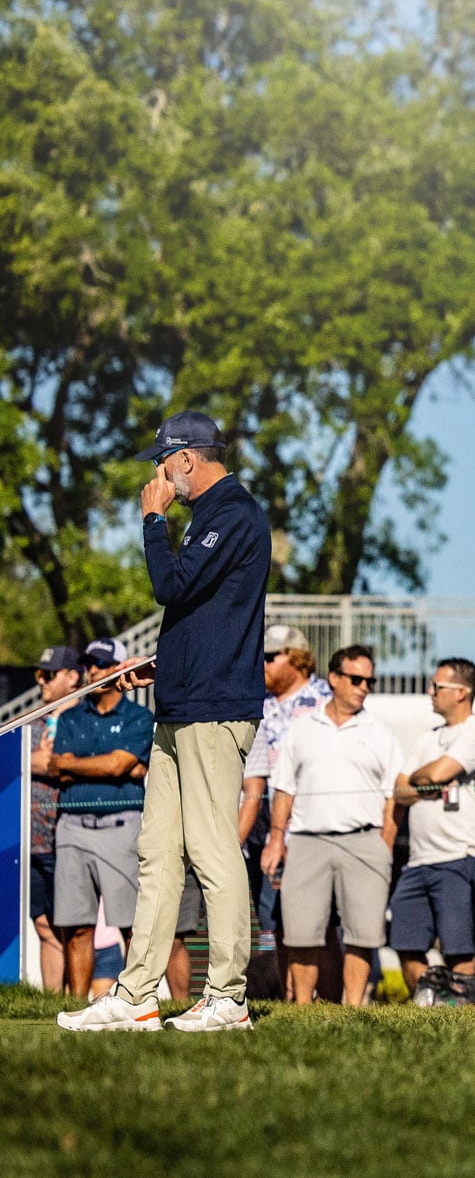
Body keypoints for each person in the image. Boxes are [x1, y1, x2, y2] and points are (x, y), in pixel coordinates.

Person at [61, 411, 270, 1033]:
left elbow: (170, 585)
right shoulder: (210, 516)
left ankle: (228, 998)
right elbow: (201, 611)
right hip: (182, 703)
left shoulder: (233, 512)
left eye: (161, 462)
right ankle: (137, 996)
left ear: (187, 458)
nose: (157, 475)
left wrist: (153, 520)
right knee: (156, 852)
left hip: (215, 709)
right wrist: (161, 664)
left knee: (211, 849)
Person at [256, 645, 402, 1005]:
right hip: (307, 841)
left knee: (362, 934)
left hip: (364, 839)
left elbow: (394, 795)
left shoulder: (380, 732)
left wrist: (385, 842)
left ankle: (353, 1008)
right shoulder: (303, 728)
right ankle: (303, 1007)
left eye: (369, 681)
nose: (364, 687)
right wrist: (276, 840)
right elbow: (284, 788)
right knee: (301, 932)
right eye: (356, 679)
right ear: (334, 678)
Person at [48, 639, 155, 999]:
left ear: (121, 668)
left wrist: (77, 764)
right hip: (72, 826)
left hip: (121, 826)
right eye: (89, 664)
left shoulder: (139, 717)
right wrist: (111, 766)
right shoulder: (70, 717)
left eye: (101, 663)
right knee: (76, 926)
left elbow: (117, 765)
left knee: (130, 924)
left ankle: (134, 999)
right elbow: (57, 768)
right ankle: (77, 1006)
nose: (93, 671)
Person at [390, 657, 475, 997]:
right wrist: (424, 782)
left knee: (459, 949)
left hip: (461, 857)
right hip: (418, 861)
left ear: (461, 692)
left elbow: (436, 774)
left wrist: (422, 778)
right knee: (405, 943)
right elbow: (400, 791)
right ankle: (430, 1004)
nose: (430, 691)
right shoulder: (427, 738)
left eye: (437, 686)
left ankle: (464, 1015)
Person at [239, 624, 335, 999]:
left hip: (310, 830)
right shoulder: (258, 703)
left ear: (296, 658)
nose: (260, 664)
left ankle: (330, 1002)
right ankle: (291, 998)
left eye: (269, 657)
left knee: (319, 924)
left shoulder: (326, 700)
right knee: (275, 921)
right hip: (265, 833)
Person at [28, 644, 82, 992]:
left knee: (72, 924)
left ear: (73, 677)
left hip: (68, 836)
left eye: (49, 674)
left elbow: (66, 766)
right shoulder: (31, 720)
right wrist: (44, 761)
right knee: (43, 924)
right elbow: (24, 761)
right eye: (39, 674)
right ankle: (51, 1002)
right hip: (32, 840)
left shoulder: (84, 717)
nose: (41, 681)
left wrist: (44, 761)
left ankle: (75, 1000)